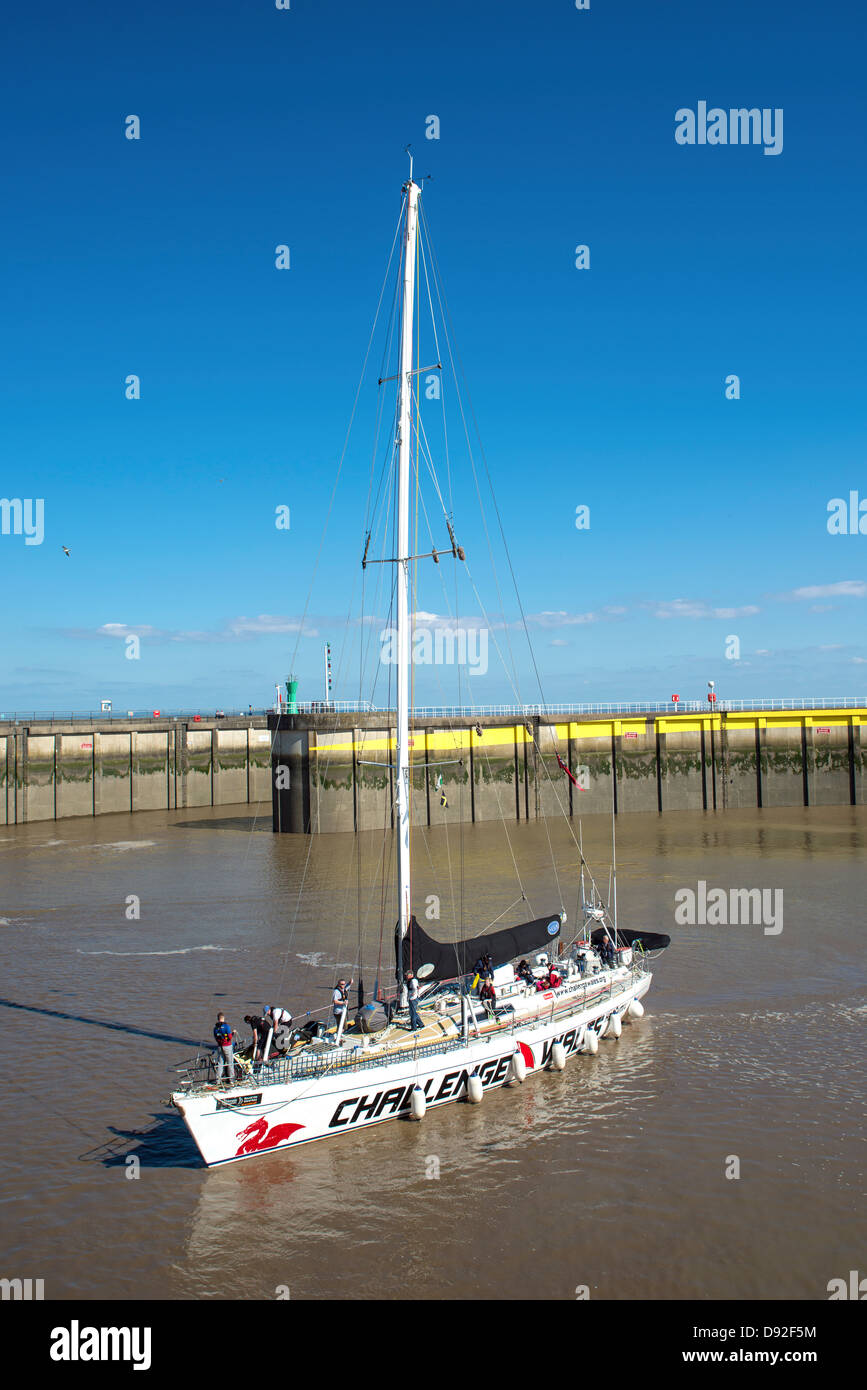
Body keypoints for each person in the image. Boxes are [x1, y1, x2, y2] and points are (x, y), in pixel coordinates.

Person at [213, 1012, 236, 1085]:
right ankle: (232, 1080)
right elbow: (229, 1037)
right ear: (223, 1018)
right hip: (227, 1046)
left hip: (220, 1047)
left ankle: (218, 1080)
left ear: (218, 1019)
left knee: (220, 1063)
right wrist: (233, 1033)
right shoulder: (226, 1027)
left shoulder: (215, 1028)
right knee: (230, 1063)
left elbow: (216, 1038)